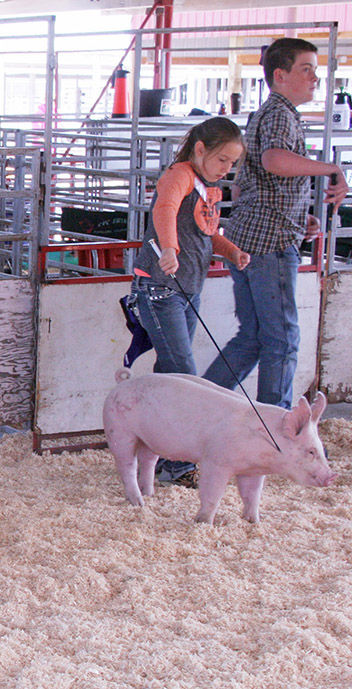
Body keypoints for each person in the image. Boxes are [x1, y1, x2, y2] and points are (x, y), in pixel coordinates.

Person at [201, 38, 348, 409]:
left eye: (315, 70)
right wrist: (331, 168)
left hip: (251, 237)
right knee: (281, 340)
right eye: (306, 69)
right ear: (280, 75)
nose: (316, 78)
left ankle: (193, 413)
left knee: (252, 338)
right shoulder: (280, 113)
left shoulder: (269, 112)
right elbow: (273, 161)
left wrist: (302, 218)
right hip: (268, 244)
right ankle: (277, 433)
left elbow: (260, 179)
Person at [129, 117, 250, 486]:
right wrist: (168, 247)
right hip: (161, 288)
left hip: (187, 289)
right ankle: (179, 464)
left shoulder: (208, 187)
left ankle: (150, 447)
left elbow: (208, 234)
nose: (227, 169)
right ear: (200, 149)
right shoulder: (179, 175)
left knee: (170, 374)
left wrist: (231, 252)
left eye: (233, 163)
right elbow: (164, 210)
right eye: (223, 160)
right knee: (183, 374)